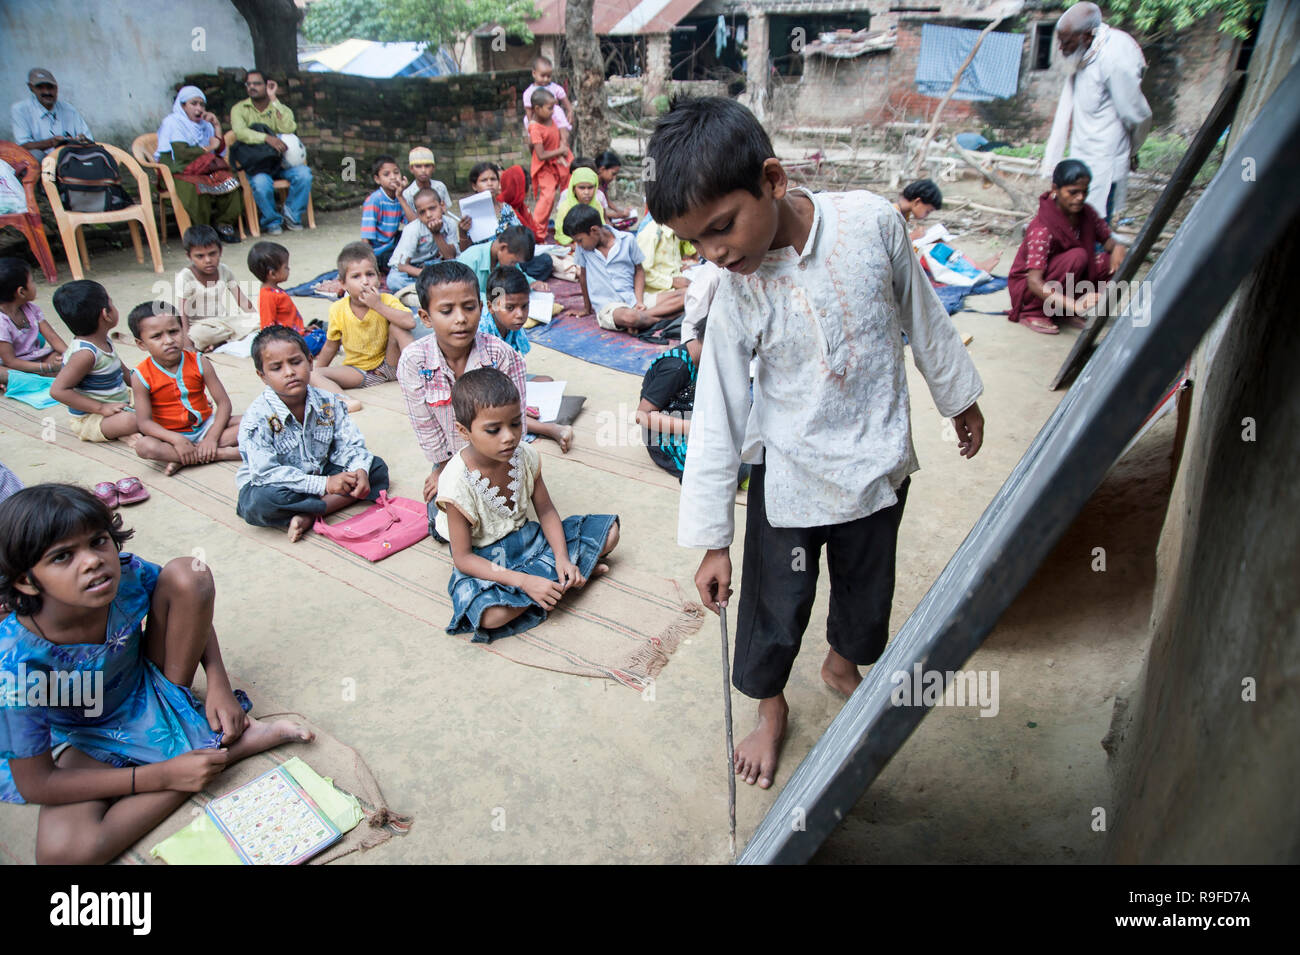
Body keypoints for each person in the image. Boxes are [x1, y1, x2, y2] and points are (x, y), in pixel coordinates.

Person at [645, 96, 985, 790]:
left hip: (876, 465)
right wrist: (714, 538)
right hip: (790, 480)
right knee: (775, 607)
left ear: (771, 179)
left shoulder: (873, 224)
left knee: (866, 593)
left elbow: (924, 313)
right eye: (696, 242)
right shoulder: (731, 291)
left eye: (721, 227)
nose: (714, 252)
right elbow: (718, 413)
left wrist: (959, 396)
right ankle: (771, 708)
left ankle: (841, 664)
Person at [0, 483, 314, 863]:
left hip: (153, 685)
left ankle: (193, 753)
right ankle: (225, 752)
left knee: (189, 573)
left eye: (98, 541)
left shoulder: (127, 577)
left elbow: (192, 604)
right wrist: (160, 777)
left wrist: (219, 683)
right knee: (62, 855)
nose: (92, 561)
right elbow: (37, 782)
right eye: (63, 556)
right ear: (25, 581)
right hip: (83, 733)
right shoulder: (16, 662)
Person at [436, 368, 618, 640]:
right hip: (486, 557)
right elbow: (463, 558)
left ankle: (557, 581)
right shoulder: (456, 483)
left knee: (610, 533)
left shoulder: (525, 455)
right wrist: (524, 581)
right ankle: (560, 583)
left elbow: (545, 511)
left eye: (515, 423)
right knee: (490, 616)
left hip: (527, 539)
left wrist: (562, 559)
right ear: (464, 431)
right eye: (493, 430)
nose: (509, 436)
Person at [395, 261, 527, 538]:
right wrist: (443, 470)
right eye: (446, 311)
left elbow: (517, 424)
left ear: (481, 306)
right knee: (444, 530)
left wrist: (494, 474)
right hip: (448, 459)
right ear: (426, 317)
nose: (461, 318)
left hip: (499, 457)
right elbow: (425, 425)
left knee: (504, 521)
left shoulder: (501, 356)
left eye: (469, 307)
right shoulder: (414, 361)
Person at [237, 326, 389, 541]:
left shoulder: (329, 402)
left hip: (321, 469)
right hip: (278, 484)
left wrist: (358, 469)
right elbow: (265, 473)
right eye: (276, 368)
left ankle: (309, 513)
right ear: (262, 376)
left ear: (310, 362)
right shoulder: (257, 417)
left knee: (374, 467)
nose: (289, 372)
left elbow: (349, 444)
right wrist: (325, 485)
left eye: (295, 362)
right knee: (259, 502)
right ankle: (322, 505)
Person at [1042, 2, 1152, 223]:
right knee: (1074, 227)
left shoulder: (1115, 57)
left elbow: (1137, 115)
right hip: (1081, 155)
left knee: (1095, 227)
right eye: (1060, 42)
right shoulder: (1083, 55)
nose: (1062, 49)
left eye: (1067, 42)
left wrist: (1132, 151)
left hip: (1104, 163)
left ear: (1087, 36)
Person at [1007, 159, 1126, 335]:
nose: (1080, 198)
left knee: (1109, 262)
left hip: (1063, 279)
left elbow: (1109, 242)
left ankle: (1062, 311)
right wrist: (1074, 304)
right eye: (1073, 192)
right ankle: (1035, 312)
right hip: (1029, 289)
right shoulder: (1042, 228)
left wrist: (1118, 249)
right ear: (1055, 189)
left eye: (1084, 192)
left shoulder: (1087, 214)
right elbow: (1034, 281)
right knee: (1078, 256)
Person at [128, 302, 241, 474]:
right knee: (144, 446)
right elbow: (144, 423)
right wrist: (176, 440)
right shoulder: (140, 376)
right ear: (141, 344)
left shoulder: (199, 361)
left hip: (206, 426)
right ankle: (219, 454)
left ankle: (184, 458)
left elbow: (224, 404)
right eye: (157, 336)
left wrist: (211, 437)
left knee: (253, 421)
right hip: (169, 436)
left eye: (173, 331)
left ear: (183, 330)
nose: (169, 340)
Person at [482, 266, 573, 452]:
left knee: (546, 382)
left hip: (506, 381)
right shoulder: (482, 333)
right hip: (485, 388)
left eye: (524, 306)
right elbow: (485, 383)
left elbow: (515, 367)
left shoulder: (513, 326)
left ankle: (522, 413)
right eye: (510, 307)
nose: (520, 314)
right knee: (501, 411)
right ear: (492, 306)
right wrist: (519, 401)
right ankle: (552, 429)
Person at [314, 242, 416, 398]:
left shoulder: (386, 300)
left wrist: (378, 305)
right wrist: (316, 374)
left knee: (398, 327)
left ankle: (421, 376)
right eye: (356, 276)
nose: (365, 281)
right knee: (313, 375)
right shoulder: (338, 309)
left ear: (379, 277)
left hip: (391, 364)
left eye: (370, 274)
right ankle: (345, 402)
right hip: (358, 371)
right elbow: (330, 347)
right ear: (342, 283)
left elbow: (410, 322)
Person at [567, 204, 681, 333]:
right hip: (610, 307)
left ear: (594, 230)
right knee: (630, 317)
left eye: (580, 240)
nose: (578, 244)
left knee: (687, 295)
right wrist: (587, 309)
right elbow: (583, 276)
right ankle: (661, 317)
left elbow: (639, 270)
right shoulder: (583, 250)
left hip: (632, 298)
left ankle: (645, 320)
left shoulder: (627, 240)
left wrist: (639, 301)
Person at [49, 281, 138, 443]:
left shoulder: (103, 340)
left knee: (158, 397)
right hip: (92, 417)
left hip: (119, 400)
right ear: (106, 314)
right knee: (132, 421)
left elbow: (123, 372)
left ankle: (129, 426)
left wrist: (147, 386)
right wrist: (101, 408)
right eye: (111, 302)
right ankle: (126, 430)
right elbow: (57, 390)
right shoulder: (85, 354)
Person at [152, 86, 242, 244]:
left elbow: (219, 151)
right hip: (179, 169)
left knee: (231, 182)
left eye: (202, 104)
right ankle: (203, 233)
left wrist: (216, 127)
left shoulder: (204, 125)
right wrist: (209, 148)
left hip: (204, 167)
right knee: (197, 188)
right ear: (183, 105)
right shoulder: (173, 123)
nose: (199, 108)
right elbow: (181, 153)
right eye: (194, 103)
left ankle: (224, 225)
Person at [229, 70, 313, 234]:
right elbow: (240, 132)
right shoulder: (239, 109)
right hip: (258, 164)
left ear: (267, 85)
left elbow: (289, 128)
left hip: (282, 162)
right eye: (249, 84)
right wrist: (267, 138)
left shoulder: (279, 107)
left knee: (304, 174)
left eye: (257, 83)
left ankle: (292, 214)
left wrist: (274, 99)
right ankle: (272, 220)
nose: (252, 87)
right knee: (261, 184)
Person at [174, 225, 258, 352]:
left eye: (212, 254)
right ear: (189, 256)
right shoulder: (185, 277)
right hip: (200, 326)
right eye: (200, 256)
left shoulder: (224, 270)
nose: (208, 260)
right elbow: (183, 312)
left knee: (260, 321)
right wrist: (187, 343)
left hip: (223, 322)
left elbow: (243, 301)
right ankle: (226, 340)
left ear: (220, 251)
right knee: (199, 335)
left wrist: (257, 318)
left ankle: (221, 342)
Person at [0, 257, 66, 391]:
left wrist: (71, 355)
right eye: (32, 281)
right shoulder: (1, 323)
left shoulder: (31, 309)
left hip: (34, 357)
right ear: (21, 292)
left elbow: (52, 338)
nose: (35, 285)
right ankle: (30, 379)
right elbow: (10, 361)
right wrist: (47, 367)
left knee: (64, 361)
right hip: (10, 365)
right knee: (5, 374)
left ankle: (30, 381)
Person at [10, 68, 92, 163]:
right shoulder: (20, 110)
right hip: (42, 163)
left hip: (70, 158)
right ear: (31, 87)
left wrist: (80, 140)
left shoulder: (69, 109)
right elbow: (23, 146)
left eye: (50, 87)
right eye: (40, 87)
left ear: (56, 88)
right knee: (35, 155)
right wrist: (51, 143)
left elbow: (88, 139)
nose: (47, 92)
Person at [388, 188, 458, 296]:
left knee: (460, 265)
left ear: (442, 206)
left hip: (434, 264)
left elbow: (450, 257)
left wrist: (436, 233)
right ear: (418, 215)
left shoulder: (450, 224)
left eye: (432, 208)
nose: (428, 215)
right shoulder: (412, 229)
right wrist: (427, 274)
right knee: (393, 280)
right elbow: (402, 266)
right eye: (422, 212)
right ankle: (430, 288)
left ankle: (425, 289)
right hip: (412, 269)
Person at [527, 90, 571, 240]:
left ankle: (569, 228)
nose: (554, 111)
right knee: (548, 197)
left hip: (559, 161)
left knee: (569, 191)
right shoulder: (535, 128)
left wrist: (563, 145)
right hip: (545, 166)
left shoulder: (551, 116)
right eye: (550, 108)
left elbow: (562, 131)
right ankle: (537, 233)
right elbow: (541, 154)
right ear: (538, 109)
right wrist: (560, 150)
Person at [457, 162, 522, 251]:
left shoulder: (506, 208)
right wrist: (462, 232)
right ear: (474, 186)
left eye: (493, 179)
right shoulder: (469, 213)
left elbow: (520, 234)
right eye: (484, 180)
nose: (490, 183)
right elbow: (465, 252)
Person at [457, 226, 535, 298]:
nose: (514, 265)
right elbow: (463, 293)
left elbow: (519, 276)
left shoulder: (506, 261)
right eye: (513, 262)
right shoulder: (470, 259)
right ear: (503, 247)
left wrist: (532, 283)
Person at [247, 240, 306, 334]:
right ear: (272, 273)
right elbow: (267, 328)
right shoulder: (267, 296)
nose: (289, 269)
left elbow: (287, 318)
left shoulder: (275, 291)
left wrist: (304, 328)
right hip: (288, 341)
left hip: (295, 334)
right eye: (286, 267)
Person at [360, 155, 405, 271]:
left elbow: (411, 222)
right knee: (394, 262)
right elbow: (366, 237)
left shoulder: (399, 197)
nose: (393, 177)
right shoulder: (374, 200)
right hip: (378, 250)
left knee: (411, 236)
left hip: (392, 242)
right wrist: (368, 261)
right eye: (386, 174)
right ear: (377, 179)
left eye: (396, 173)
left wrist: (402, 196)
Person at [636, 218, 695, 303]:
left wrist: (680, 267)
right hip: (654, 293)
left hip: (674, 287)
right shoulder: (651, 233)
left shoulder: (674, 230)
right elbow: (643, 273)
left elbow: (669, 261)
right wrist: (672, 282)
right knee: (694, 294)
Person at [522, 55, 572, 151]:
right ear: (534, 73)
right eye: (543, 76)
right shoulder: (528, 92)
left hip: (553, 115)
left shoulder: (554, 87)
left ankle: (563, 143)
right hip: (538, 118)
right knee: (527, 124)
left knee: (558, 112)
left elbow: (564, 98)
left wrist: (570, 110)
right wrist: (532, 125)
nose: (545, 79)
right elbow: (528, 110)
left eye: (548, 76)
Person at [552, 166, 604, 247]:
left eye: (590, 187)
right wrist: (574, 244)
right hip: (570, 244)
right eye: (582, 188)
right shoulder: (565, 207)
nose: (586, 192)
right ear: (573, 189)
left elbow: (601, 227)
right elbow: (560, 232)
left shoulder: (597, 205)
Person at [399, 147, 452, 222]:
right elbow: (411, 221)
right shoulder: (408, 194)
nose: (423, 170)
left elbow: (444, 212)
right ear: (411, 169)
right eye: (418, 166)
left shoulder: (440, 187)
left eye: (427, 166)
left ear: (433, 168)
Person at [595, 150, 639, 230]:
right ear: (602, 169)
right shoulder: (592, 186)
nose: (614, 178)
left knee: (632, 219)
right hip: (597, 219)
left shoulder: (603, 183)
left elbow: (608, 202)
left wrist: (620, 211)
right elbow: (597, 212)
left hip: (605, 217)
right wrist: (617, 215)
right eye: (613, 174)